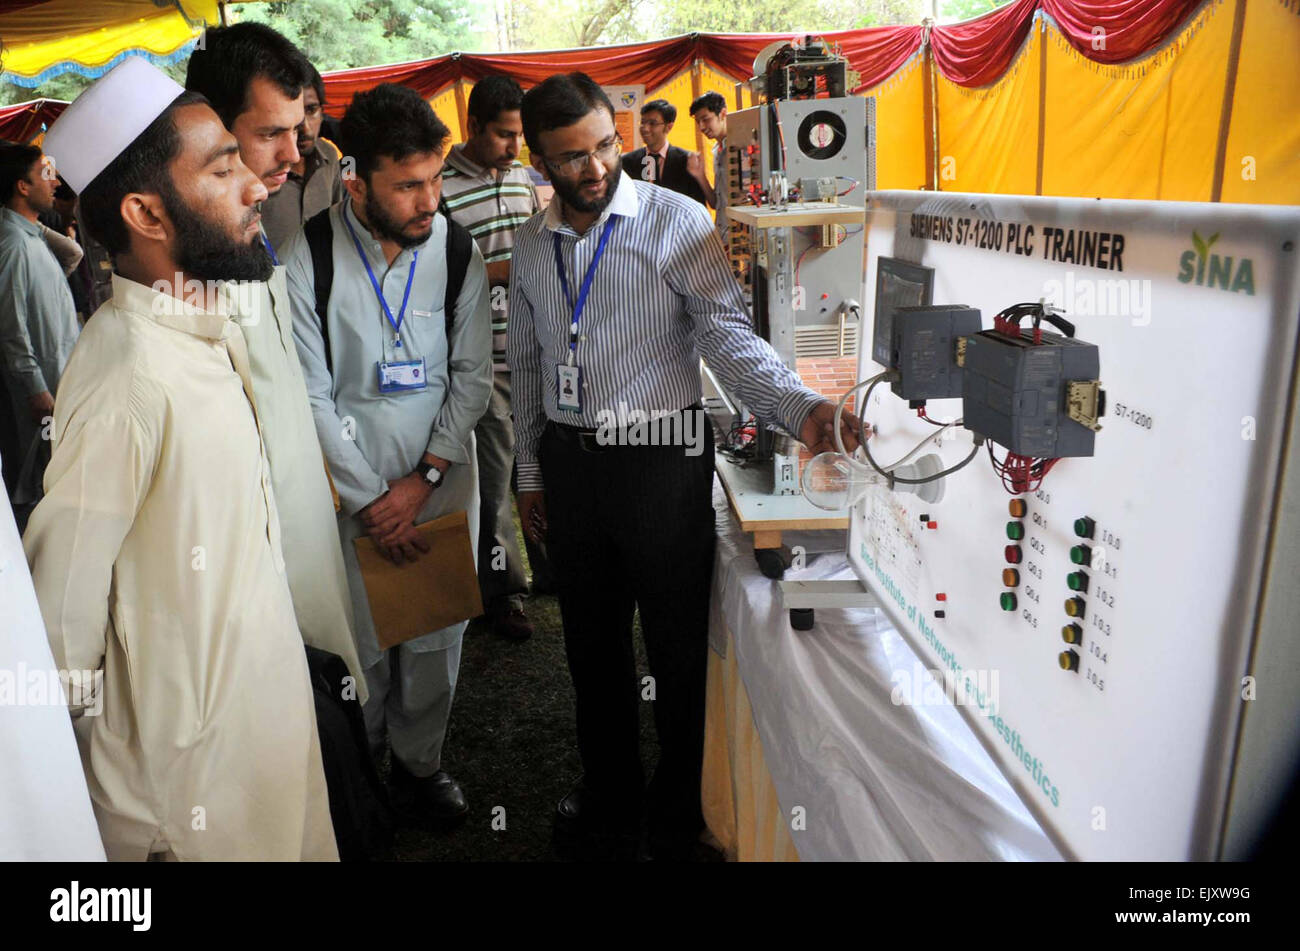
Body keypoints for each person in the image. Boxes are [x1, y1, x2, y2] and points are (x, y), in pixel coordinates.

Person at [512, 73, 864, 860]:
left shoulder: (679, 222)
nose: (597, 167)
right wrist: (532, 475)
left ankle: (680, 802)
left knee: (675, 645)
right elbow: (532, 363)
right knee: (590, 644)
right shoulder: (531, 244)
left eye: (605, 145)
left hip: (660, 464)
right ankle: (608, 785)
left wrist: (799, 407)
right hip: (572, 469)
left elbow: (727, 335)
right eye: (573, 158)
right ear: (541, 162)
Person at [26, 57, 336, 861]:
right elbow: (62, 629)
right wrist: (128, 819)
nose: (258, 186)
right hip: (186, 797)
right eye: (224, 167)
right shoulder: (128, 370)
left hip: (264, 739)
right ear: (146, 213)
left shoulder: (203, 329)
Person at [284, 83, 492, 823]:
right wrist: (373, 496)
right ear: (355, 182)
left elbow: (473, 378)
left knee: (435, 634)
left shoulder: (456, 246)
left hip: (437, 486)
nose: (428, 200)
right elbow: (308, 394)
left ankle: (420, 766)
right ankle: (364, 771)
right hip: (346, 499)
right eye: (408, 186)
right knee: (361, 645)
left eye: (435, 179)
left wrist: (423, 477)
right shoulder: (305, 255)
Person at [186, 23, 365, 695]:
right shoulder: (185, 278)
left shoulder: (253, 241)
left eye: (299, 128)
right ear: (210, 128)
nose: (294, 153)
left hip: (308, 529)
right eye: (270, 134)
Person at [440, 74, 544, 641]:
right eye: (504, 136)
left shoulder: (524, 177)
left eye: (520, 136)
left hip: (539, 349)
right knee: (497, 479)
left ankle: (551, 568)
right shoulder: (441, 189)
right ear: (473, 126)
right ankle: (500, 594)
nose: (514, 147)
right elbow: (438, 274)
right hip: (485, 355)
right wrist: (500, 271)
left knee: (544, 464)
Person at [0, 142, 80, 522]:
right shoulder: (13, 245)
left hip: (59, 384)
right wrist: (35, 389)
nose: (55, 182)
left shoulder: (29, 235)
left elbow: (72, 255)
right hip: (41, 395)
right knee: (36, 496)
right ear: (22, 186)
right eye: (44, 174)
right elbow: (10, 326)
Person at [260, 62, 344, 251]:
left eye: (311, 110)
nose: (305, 127)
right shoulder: (259, 167)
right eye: (294, 114)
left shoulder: (329, 157)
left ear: (323, 111)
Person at [620, 99, 709, 206]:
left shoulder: (687, 161)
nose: (645, 128)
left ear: (669, 127)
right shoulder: (627, 161)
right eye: (643, 122)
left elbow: (697, 205)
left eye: (652, 123)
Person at [689, 92, 729, 239]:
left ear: (723, 113)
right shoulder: (716, 152)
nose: (701, 127)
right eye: (698, 122)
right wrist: (700, 176)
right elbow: (715, 203)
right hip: (721, 235)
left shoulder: (739, 147)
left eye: (705, 119)